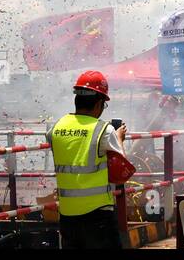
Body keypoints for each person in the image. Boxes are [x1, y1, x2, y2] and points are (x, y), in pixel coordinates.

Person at [46, 70, 127, 249]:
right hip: (98, 216)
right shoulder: (104, 131)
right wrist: (119, 138)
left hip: (67, 216)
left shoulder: (55, 129)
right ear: (99, 103)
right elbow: (122, 172)